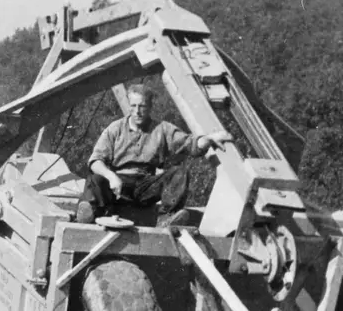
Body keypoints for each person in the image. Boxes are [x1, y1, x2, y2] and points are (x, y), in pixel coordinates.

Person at [76, 84, 232, 223]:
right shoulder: (115, 128)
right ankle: (89, 212)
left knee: (179, 172)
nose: (137, 111)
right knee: (95, 179)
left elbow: (190, 143)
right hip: (119, 184)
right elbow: (95, 160)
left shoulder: (162, 129)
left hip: (146, 185)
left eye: (142, 106)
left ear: (150, 107)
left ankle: (168, 217)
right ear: (129, 106)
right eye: (134, 106)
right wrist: (111, 177)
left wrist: (210, 139)